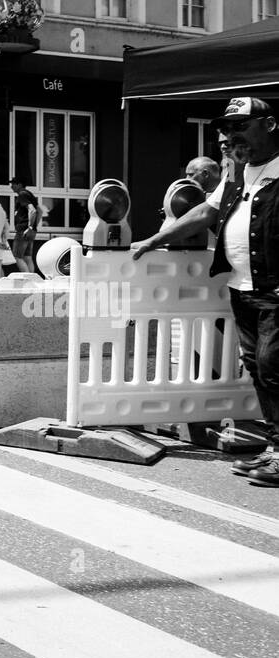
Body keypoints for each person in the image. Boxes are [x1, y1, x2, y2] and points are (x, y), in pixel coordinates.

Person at [131, 97, 279, 487]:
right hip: (243, 288)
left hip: (276, 290)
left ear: (269, 125)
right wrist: (153, 239)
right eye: (229, 128)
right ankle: (276, 449)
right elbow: (204, 213)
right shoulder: (236, 175)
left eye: (242, 126)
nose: (232, 135)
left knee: (272, 366)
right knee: (260, 371)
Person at [9, 176, 40, 274]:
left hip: (23, 230)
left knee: (17, 256)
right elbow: (40, 211)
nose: (11, 186)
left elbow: (33, 210)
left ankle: (28, 279)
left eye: (14, 184)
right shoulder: (29, 194)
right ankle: (32, 279)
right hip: (30, 231)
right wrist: (33, 227)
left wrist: (30, 227)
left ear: (20, 184)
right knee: (27, 257)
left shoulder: (22, 194)